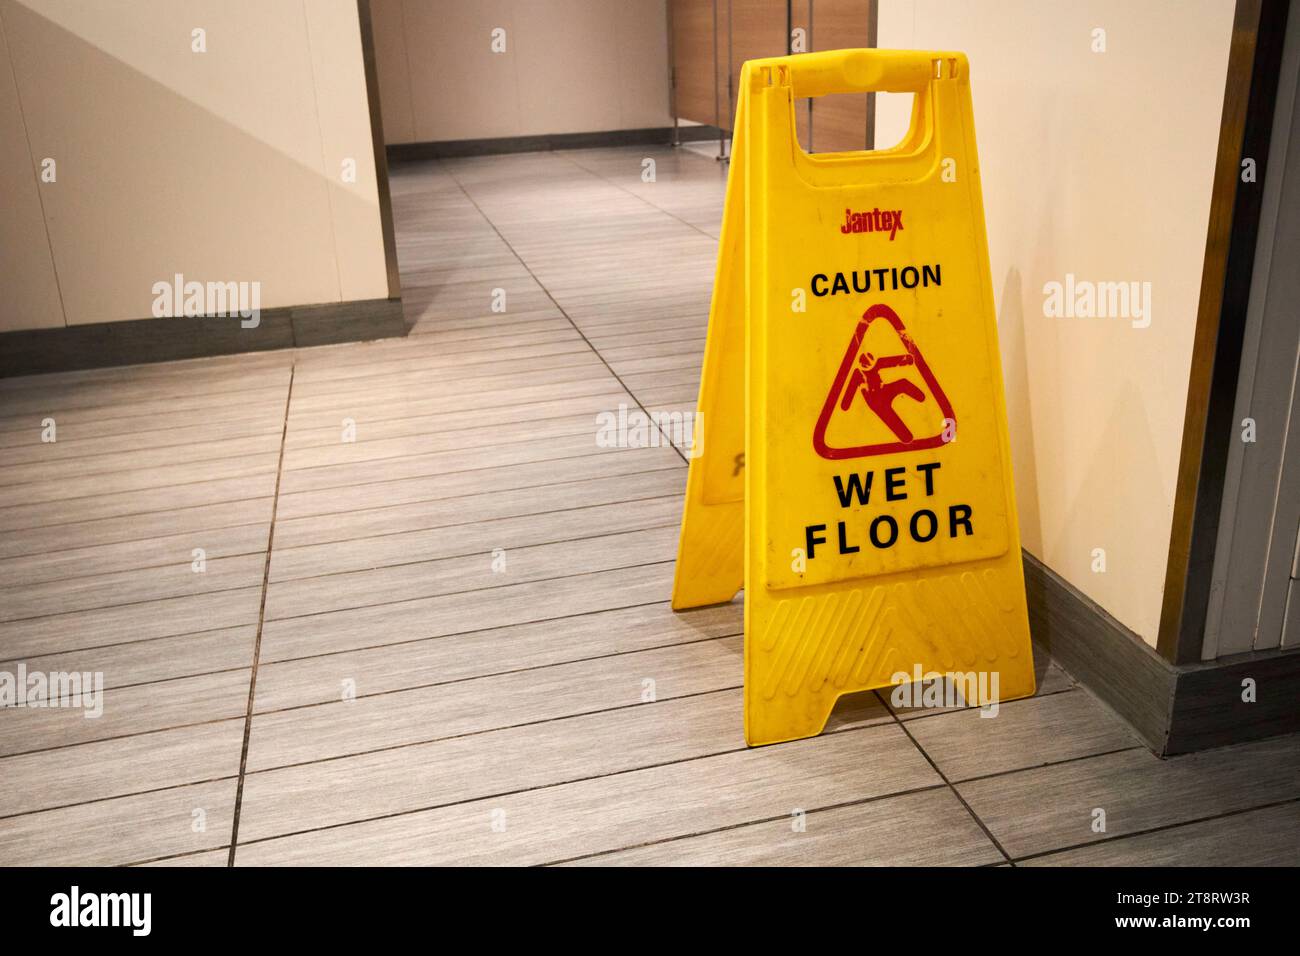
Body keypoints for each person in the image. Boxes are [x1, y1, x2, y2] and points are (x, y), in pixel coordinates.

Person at [840, 350, 924, 442]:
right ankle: (906, 438)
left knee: (902, 383)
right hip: (874, 400)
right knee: (890, 418)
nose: (868, 365)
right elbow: (847, 397)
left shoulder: (876, 363)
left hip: (884, 390)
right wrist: (845, 405)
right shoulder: (857, 373)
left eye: (869, 361)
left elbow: (890, 361)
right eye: (865, 363)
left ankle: (923, 398)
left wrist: (908, 359)